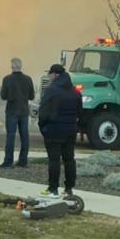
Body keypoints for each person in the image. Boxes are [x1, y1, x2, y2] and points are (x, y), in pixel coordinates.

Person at [37, 63, 82, 197]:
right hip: (70, 129)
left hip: (54, 130)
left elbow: (43, 112)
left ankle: (53, 189)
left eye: (50, 74)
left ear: (55, 75)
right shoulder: (75, 92)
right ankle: (69, 188)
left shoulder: (51, 91)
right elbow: (80, 112)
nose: (49, 77)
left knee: (54, 160)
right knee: (69, 159)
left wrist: (42, 127)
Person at [0, 58, 35, 168]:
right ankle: (23, 161)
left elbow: (3, 96)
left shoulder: (7, 79)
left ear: (12, 66)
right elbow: (32, 96)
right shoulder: (28, 79)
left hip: (11, 111)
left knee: (11, 136)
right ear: (21, 66)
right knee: (25, 136)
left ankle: (8, 162)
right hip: (24, 111)